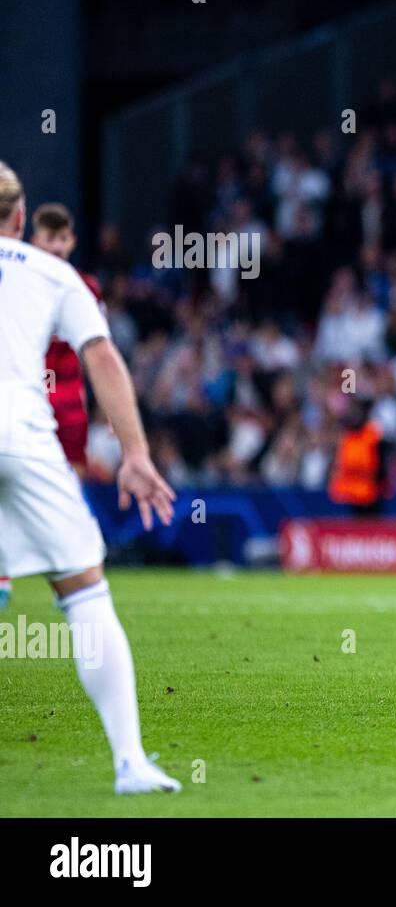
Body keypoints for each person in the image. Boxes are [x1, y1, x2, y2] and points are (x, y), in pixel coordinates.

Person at [0, 162, 181, 792]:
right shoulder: (54, 273)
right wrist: (135, 452)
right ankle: (130, 761)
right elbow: (101, 355)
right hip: (23, 437)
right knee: (84, 592)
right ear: (22, 220)